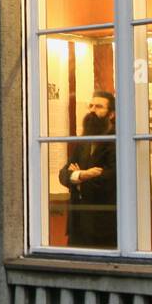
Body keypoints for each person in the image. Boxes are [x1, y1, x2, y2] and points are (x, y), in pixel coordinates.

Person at [58, 91, 117, 248]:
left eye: (99, 106)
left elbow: (111, 178)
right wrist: (82, 174)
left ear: (111, 114)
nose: (92, 110)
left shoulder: (117, 140)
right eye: (90, 105)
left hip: (104, 226)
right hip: (77, 224)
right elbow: (63, 173)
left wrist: (77, 180)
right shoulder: (84, 141)